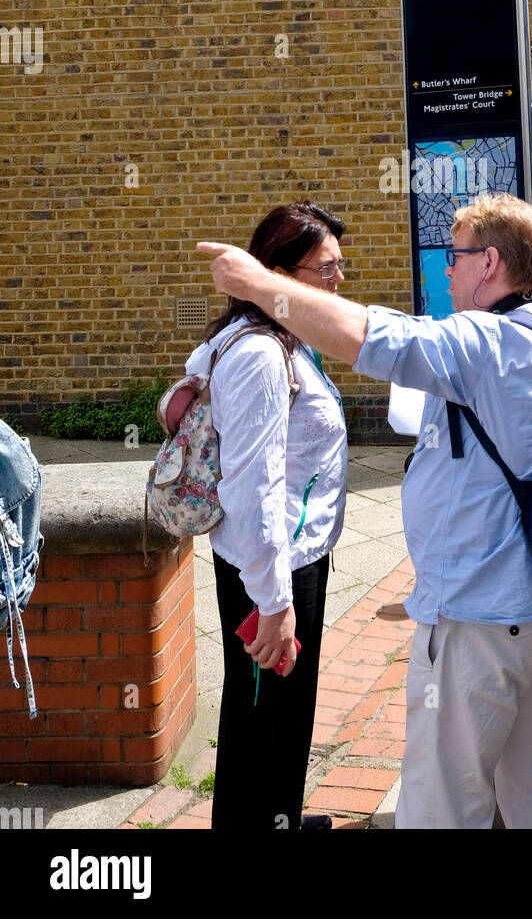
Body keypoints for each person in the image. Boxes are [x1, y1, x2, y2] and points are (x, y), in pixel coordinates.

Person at [198, 194, 532, 830]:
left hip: (483, 615)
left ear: (489, 262)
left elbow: (369, 337)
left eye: (455, 255)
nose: (446, 271)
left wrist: (257, 281)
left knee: (440, 805)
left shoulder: (485, 339)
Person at [189, 202, 349, 832]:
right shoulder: (261, 353)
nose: (338, 282)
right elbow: (256, 489)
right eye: (325, 269)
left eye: (340, 267)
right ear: (279, 273)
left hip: (290, 556)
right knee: (265, 714)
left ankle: (278, 817)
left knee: (279, 709)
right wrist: (275, 601)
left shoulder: (266, 336)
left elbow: (193, 377)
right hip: (274, 564)